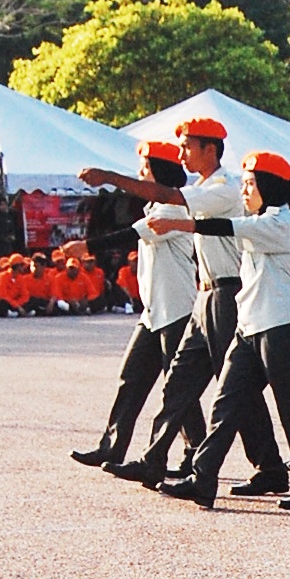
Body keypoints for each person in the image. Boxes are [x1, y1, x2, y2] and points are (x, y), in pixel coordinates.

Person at [152, 151, 290, 511]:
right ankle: (203, 478)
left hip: (280, 327)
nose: (243, 192)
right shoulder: (271, 223)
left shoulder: (278, 222)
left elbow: (228, 227)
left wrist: (179, 225)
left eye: (249, 184)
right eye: (242, 184)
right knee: (226, 403)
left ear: (268, 188)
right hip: (250, 325)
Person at [82, 117, 288, 493]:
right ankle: (153, 460)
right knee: (179, 381)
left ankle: (270, 467)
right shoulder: (204, 188)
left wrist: (111, 176)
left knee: (237, 389)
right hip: (204, 296)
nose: (181, 155)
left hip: (227, 293)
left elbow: (171, 197)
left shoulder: (224, 190)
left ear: (210, 149)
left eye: (188, 147)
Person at [64, 141, 202, 470]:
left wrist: (86, 246)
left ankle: (194, 453)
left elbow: (131, 235)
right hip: (155, 310)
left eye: (145, 169)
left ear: (160, 173)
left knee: (178, 386)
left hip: (177, 309)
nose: (140, 175)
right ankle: (111, 447)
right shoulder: (155, 207)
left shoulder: (175, 209)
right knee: (132, 378)